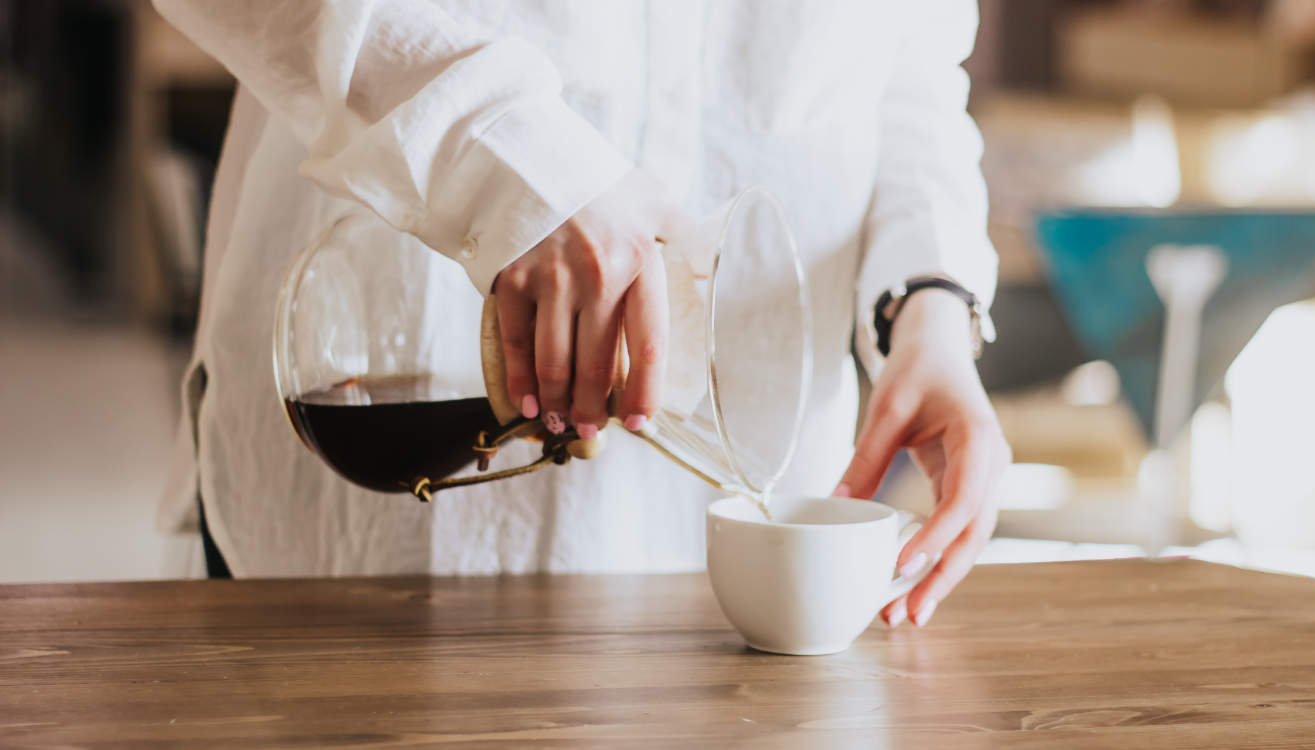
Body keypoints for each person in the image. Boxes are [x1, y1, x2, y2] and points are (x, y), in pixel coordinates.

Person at [156, 0, 1010, 628]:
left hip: (727, 570)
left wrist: (929, 301)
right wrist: (510, 162)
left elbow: (912, 63)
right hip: (371, 535)